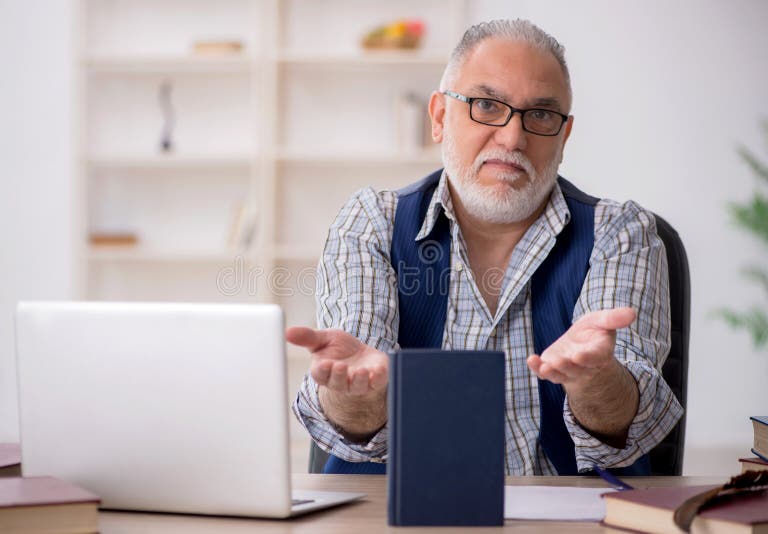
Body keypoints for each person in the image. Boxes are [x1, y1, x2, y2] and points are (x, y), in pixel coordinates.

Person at [288, 19, 683, 475]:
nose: (513, 137)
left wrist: (597, 382)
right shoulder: (372, 224)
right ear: (438, 117)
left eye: (540, 115)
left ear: (564, 136)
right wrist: (354, 392)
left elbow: (625, 428)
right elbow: (355, 415)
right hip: (395, 516)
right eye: (487, 105)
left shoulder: (621, 232)